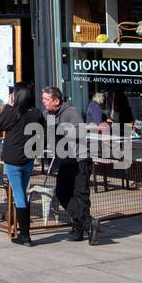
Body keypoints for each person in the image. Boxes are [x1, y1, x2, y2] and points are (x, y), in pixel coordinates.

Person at [41, 86, 100, 244]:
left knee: (80, 195)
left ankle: (80, 229)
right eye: (43, 99)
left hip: (79, 160)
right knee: (61, 192)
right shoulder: (47, 114)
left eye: (46, 99)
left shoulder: (70, 112)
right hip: (65, 161)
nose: (43, 102)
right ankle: (88, 223)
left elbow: (80, 131)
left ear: (56, 101)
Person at [0, 86, 43, 245]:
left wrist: (8, 106)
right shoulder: (36, 113)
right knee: (22, 191)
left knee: (19, 195)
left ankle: (25, 235)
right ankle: (24, 233)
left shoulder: (14, 111)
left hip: (13, 158)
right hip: (28, 158)